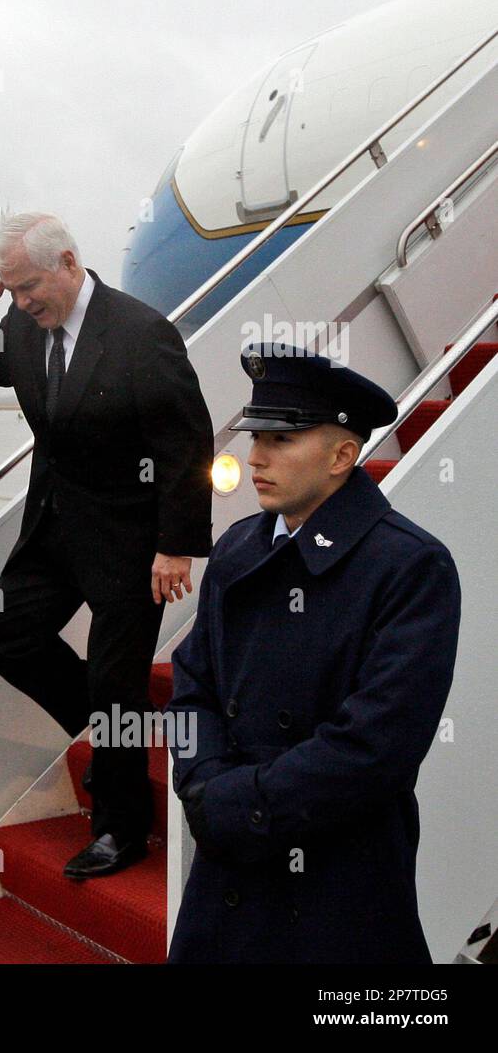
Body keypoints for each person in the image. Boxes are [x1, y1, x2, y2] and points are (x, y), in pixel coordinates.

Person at [167, 343, 462, 964]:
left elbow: (376, 743)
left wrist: (243, 804)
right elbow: (194, 684)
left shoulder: (410, 566)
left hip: (338, 877)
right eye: (256, 439)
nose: (256, 459)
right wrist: (202, 784)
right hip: (227, 874)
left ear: (343, 455)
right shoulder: (238, 549)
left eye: (281, 441)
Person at [0, 210, 213, 878]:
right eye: (9, 289)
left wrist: (176, 546)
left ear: (67, 262)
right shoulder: (25, 329)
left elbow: (185, 443)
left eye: (29, 285)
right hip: (53, 530)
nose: (22, 301)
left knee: (116, 683)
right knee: (3, 637)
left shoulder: (140, 335)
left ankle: (120, 827)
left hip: (129, 540)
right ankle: (104, 727)